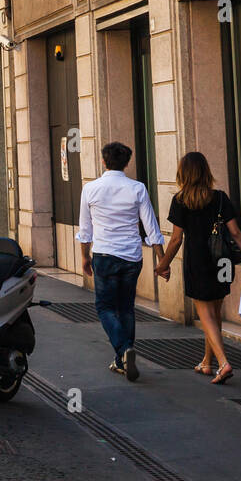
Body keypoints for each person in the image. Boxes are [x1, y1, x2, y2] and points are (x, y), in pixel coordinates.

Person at [155, 152, 241, 385]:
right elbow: (235, 233)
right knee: (215, 312)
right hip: (222, 261)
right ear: (205, 171)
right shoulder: (220, 198)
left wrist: (162, 265)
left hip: (198, 261)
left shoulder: (181, 200)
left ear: (184, 173)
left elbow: (176, 239)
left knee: (205, 313)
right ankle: (207, 362)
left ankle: (223, 363)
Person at [77, 141, 165, 382]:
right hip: (131, 256)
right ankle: (121, 359)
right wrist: (162, 261)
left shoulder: (90, 188)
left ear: (104, 161)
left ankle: (124, 349)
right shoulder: (137, 188)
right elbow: (151, 227)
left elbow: (85, 230)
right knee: (126, 307)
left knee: (105, 307)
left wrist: (85, 257)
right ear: (127, 163)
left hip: (104, 255)